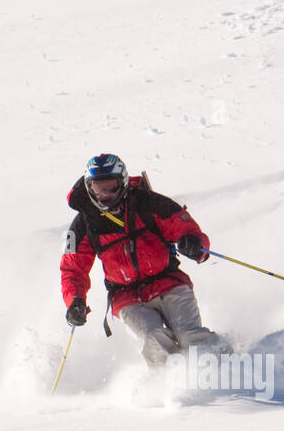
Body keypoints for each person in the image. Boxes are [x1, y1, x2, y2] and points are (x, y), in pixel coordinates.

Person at [60, 153, 222, 368]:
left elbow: (185, 227)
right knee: (154, 340)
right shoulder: (84, 223)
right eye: (99, 188)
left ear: (124, 182)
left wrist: (193, 244)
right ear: (90, 188)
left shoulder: (149, 203)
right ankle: (173, 387)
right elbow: (73, 269)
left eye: (111, 187)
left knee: (190, 337)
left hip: (168, 282)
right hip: (126, 296)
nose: (105, 195)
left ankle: (225, 368)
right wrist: (75, 301)